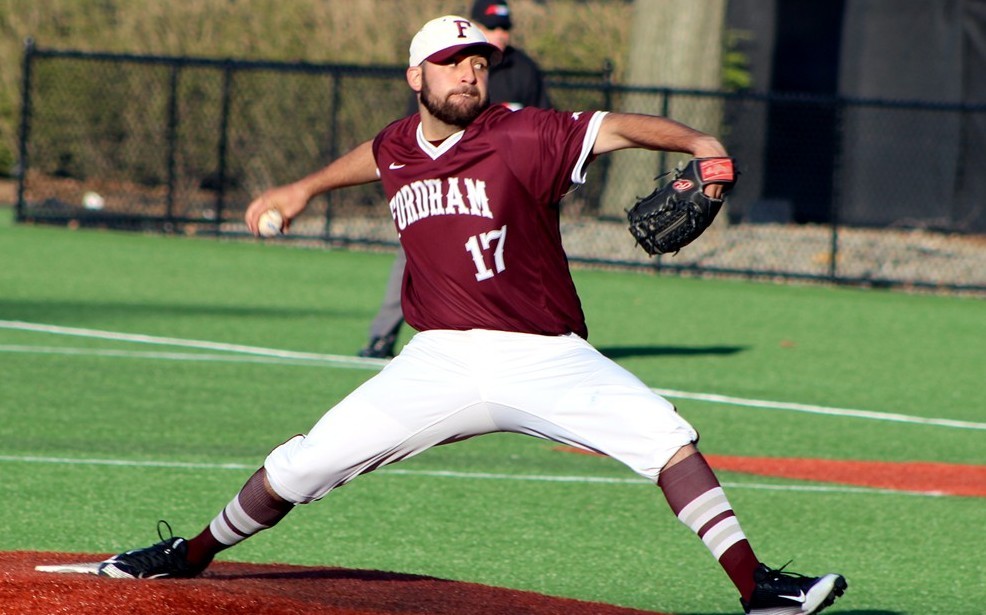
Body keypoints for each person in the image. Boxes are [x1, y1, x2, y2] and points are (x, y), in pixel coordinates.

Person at [98, 15, 847, 615]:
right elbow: (376, 154)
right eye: (454, 61)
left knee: (667, 437)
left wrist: (701, 144)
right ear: (415, 76)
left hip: (543, 353)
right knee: (304, 463)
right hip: (439, 359)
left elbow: (614, 126)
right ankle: (192, 551)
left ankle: (760, 588)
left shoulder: (523, 132)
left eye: (479, 62)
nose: (470, 72)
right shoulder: (400, 144)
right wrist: (301, 189)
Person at [359, 0, 551, 359]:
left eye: (504, 27)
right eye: (492, 26)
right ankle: (381, 336)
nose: (500, 34)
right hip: (442, 189)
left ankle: (526, 337)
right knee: (414, 258)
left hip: (501, 195)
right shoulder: (443, 73)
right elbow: (410, 134)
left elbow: (545, 127)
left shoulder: (524, 69)